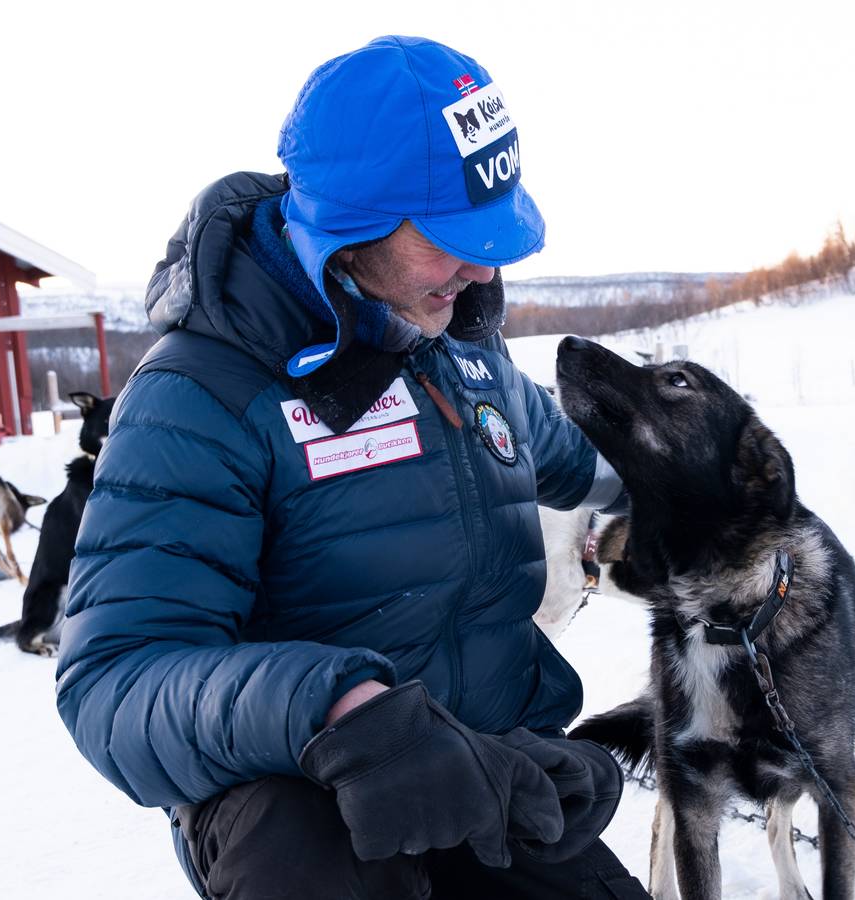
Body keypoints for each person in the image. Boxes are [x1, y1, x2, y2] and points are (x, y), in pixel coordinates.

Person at [54, 36, 646, 899]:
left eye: (489, 234)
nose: (481, 268)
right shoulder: (201, 395)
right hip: (310, 816)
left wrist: (705, 492)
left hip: (486, 779)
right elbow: (114, 683)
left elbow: (581, 463)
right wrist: (338, 707)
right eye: (448, 237)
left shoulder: (464, 354)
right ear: (348, 219)